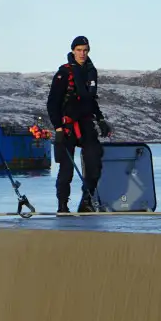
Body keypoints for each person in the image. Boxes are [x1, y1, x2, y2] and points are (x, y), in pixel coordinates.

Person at [46, 35, 113, 213]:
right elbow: (52, 103)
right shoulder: (63, 73)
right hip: (67, 125)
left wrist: (100, 119)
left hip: (85, 124)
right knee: (66, 169)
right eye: (79, 50)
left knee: (94, 162)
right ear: (73, 51)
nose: (82, 53)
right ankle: (62, 205)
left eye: (85, 50)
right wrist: (58, 128)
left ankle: (86, 201)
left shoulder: (91, 72)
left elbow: (91, 100)